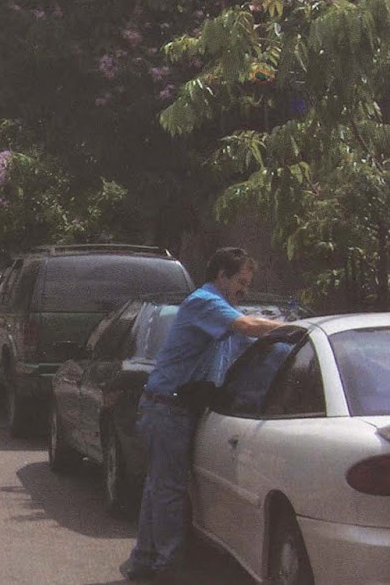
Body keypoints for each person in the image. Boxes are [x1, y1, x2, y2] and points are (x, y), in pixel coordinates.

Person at [120, 247, 285, 582]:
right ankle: (166, 565)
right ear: (222, 275)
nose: (244, 290)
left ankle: (147, 559)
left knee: (160, 487)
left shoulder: (223, 316)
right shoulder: (204, 302)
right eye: (240, 282)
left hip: (177, 408)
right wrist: (294, 328)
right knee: (168, 489)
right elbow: (248, 326)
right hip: (167, 407)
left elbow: (255, 350)